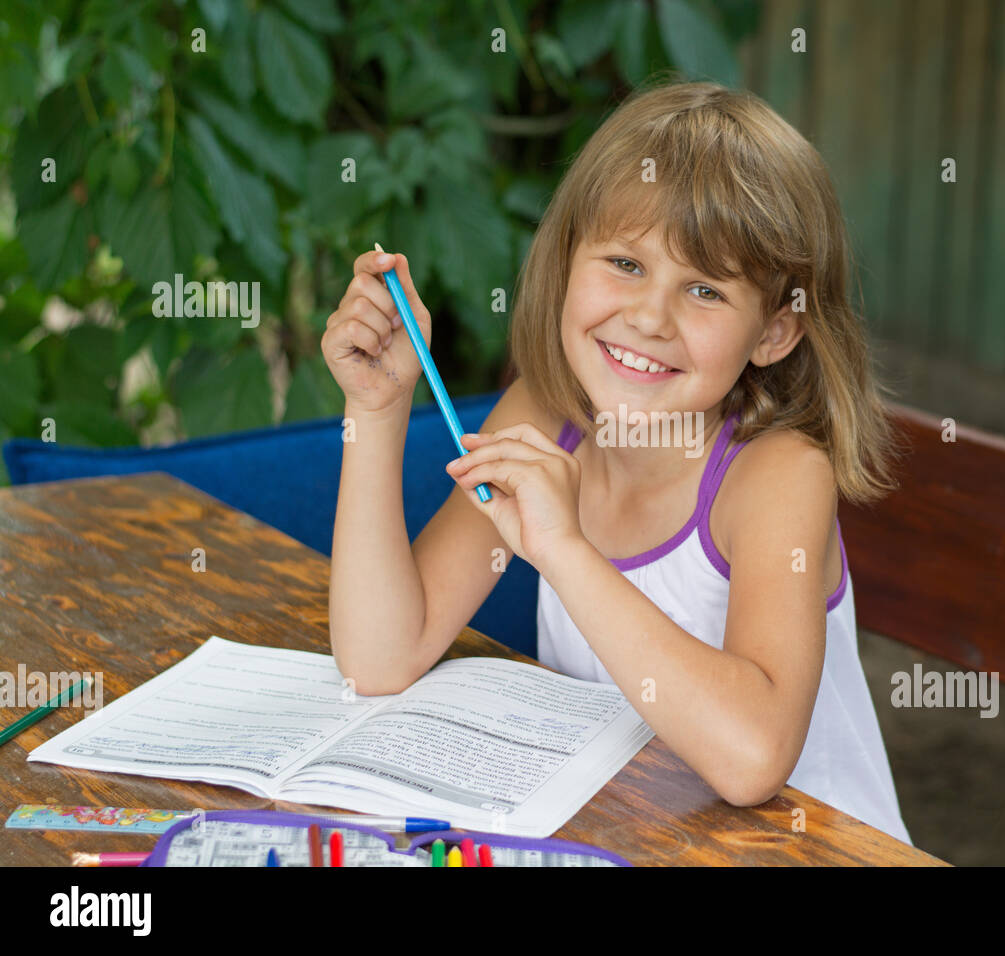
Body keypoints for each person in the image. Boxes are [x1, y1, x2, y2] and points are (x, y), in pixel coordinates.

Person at [322, 78, 911, 845]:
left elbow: (753, 759)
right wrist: (375, 411)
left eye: (704, 289)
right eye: (626, 265)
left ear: (773, 333)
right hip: (643, 837)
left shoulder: (775, 476)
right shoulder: (547, 413)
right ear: (567, 258)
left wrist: (563, 551)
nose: (648, 317)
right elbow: (379, 658)